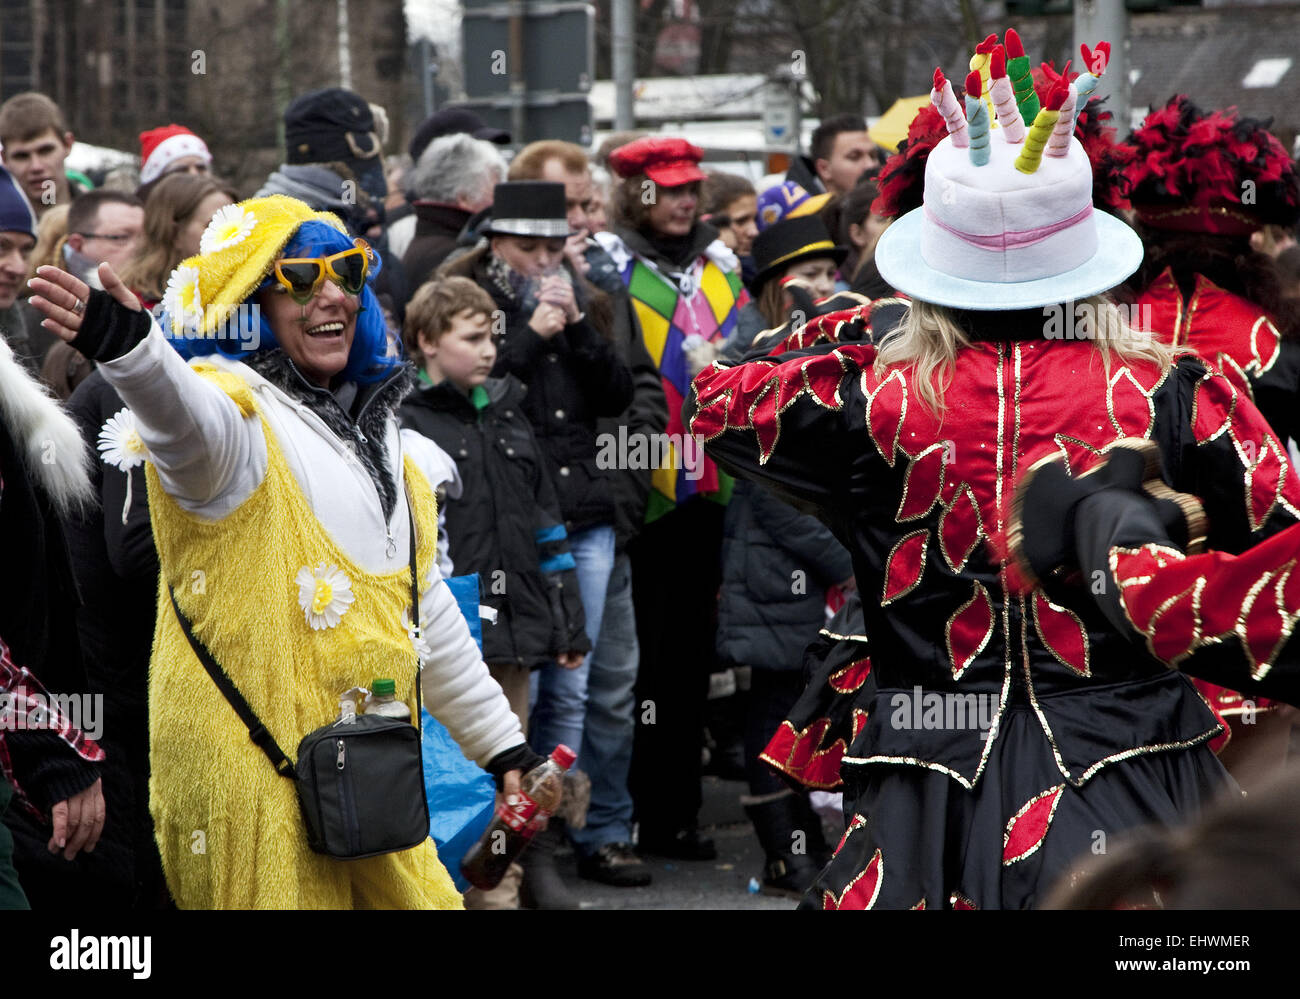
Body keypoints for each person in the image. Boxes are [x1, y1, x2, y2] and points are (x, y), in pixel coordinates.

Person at [686, 33, 1279, 909]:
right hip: (1129, 758)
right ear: (1092, 255)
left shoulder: (869, 396)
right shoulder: (1177, 390)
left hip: (933, 767)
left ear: (929, 266)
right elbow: (1272, 542)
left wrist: (874, 320)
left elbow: (718, 401)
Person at [28, 194, 544, 909]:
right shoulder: (234, 415)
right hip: (254, 786)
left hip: (367, 780)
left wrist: (502, 746)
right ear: (250, 305)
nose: (331, 291)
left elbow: (419, 607)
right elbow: (184, 425)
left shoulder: (386, 436)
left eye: (348, 271)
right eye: (299, 276)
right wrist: (135, 352)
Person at [440, 181, 634, 903]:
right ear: (495, 243)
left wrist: (578, 324)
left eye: (554, 247)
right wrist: (529, 334)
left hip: (580, 511)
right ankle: (504, 847)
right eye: (529, 248)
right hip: (508, 523)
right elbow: (477, 393)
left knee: (578, 687)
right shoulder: (461, 297)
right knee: (516, 691)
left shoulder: (582, 291)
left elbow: (616, 392)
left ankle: (551, 838)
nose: (544, 260)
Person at [1113, 95, 1300, 775]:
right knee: (1236, 841)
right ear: (1250, 245)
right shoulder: (1275, 346)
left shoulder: (1102, 334)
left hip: (1112, 631)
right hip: (1239, 627)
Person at [399, 275, 590, 907]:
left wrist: (566, 618)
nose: (489, 351)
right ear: (426, 342)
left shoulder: (510, 413)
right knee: (440, 780)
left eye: (493, 337)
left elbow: (546, 523)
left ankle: (499, 895)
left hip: (512, 628)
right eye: (472, 338)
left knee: (510, 781)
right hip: (445, 631)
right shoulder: (403, 423)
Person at [506, 141, 667, 887]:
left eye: (580, 206)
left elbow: (632, 393)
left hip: (598, 513)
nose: (568, 227)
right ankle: (524, 841)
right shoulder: (482, 291)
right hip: (519, 522)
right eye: (552, 210)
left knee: (606, 685)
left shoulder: (600, 286)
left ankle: (600, 828)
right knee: (532, 686)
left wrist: (623, 494)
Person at [596, 135, 749, 860]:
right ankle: (626, 815)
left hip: (715, 487)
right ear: (637, 195)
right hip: (645, 488)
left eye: (692, 188)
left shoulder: (722, 266)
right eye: (668, 189)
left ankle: (675, 816)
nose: (684, 200)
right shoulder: (610, 264)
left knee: (690, 664)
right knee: (642, 666)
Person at [726, 214, 847, 361]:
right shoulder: (741, 356)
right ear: (776, 286)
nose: (826, 286)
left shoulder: (849, 329)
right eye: (810, 274)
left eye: (831, 274)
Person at [402, 134, 505, 294]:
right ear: (464, 197)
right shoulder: (456, 257)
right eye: (496, 191)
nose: (499, 203)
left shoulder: (428, 243)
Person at [119, 173, 237, 309]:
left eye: (235, 224)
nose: (233, 235)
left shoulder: (252, 288)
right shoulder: (133, 307)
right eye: (214, 224)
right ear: (174, 234)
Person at [0, 93, 86, 219]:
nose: (36, 166)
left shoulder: (106, 218)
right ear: (4, 159)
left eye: (45, 151)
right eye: (22, 156)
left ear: (67, 145)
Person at [788, 113, 881, 198]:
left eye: (873, 156)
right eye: (854, 157)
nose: (870, 165)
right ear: (824, 169)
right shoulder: (799, 214)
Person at [135, 125, 213, 202]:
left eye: (201, 167)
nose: (194, 174)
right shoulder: (136, 213)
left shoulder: (222, 210)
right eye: (181, 169)